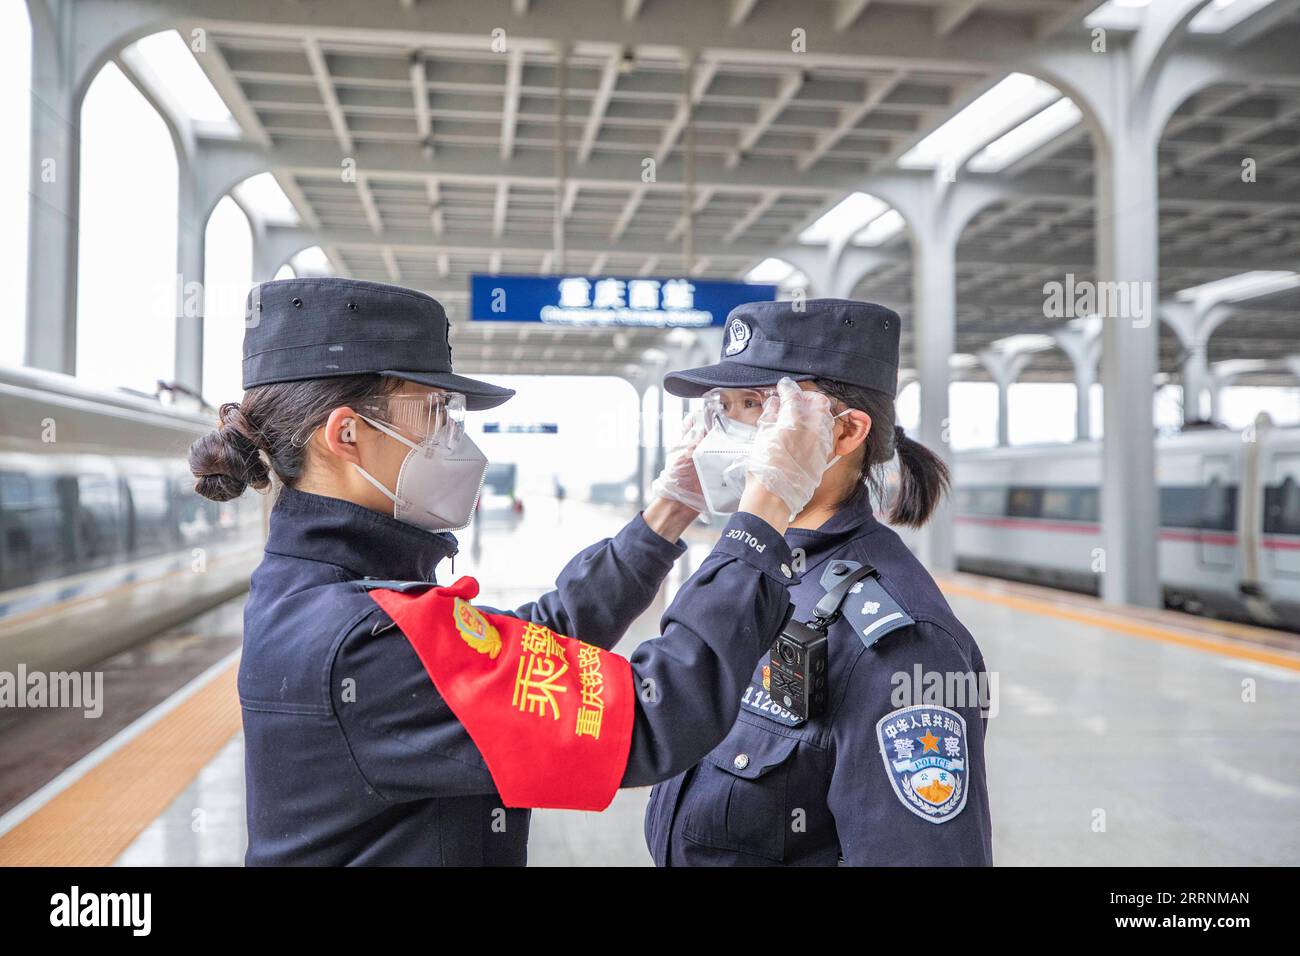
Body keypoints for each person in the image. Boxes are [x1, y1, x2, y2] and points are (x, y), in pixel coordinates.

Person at [189, 276, 839, 866]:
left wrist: (668, 514)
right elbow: (651, 715)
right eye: (435, 411)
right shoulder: (361, 637)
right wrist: (764, 512)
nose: (454, 435)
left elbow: (538, 644)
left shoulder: (327, 593)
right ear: (346, 433)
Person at [645, 298, 994, 866]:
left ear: (847, 431)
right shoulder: (751, 570)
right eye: (723, 408)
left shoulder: (907, 645)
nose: (730, 431)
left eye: (758, 406)